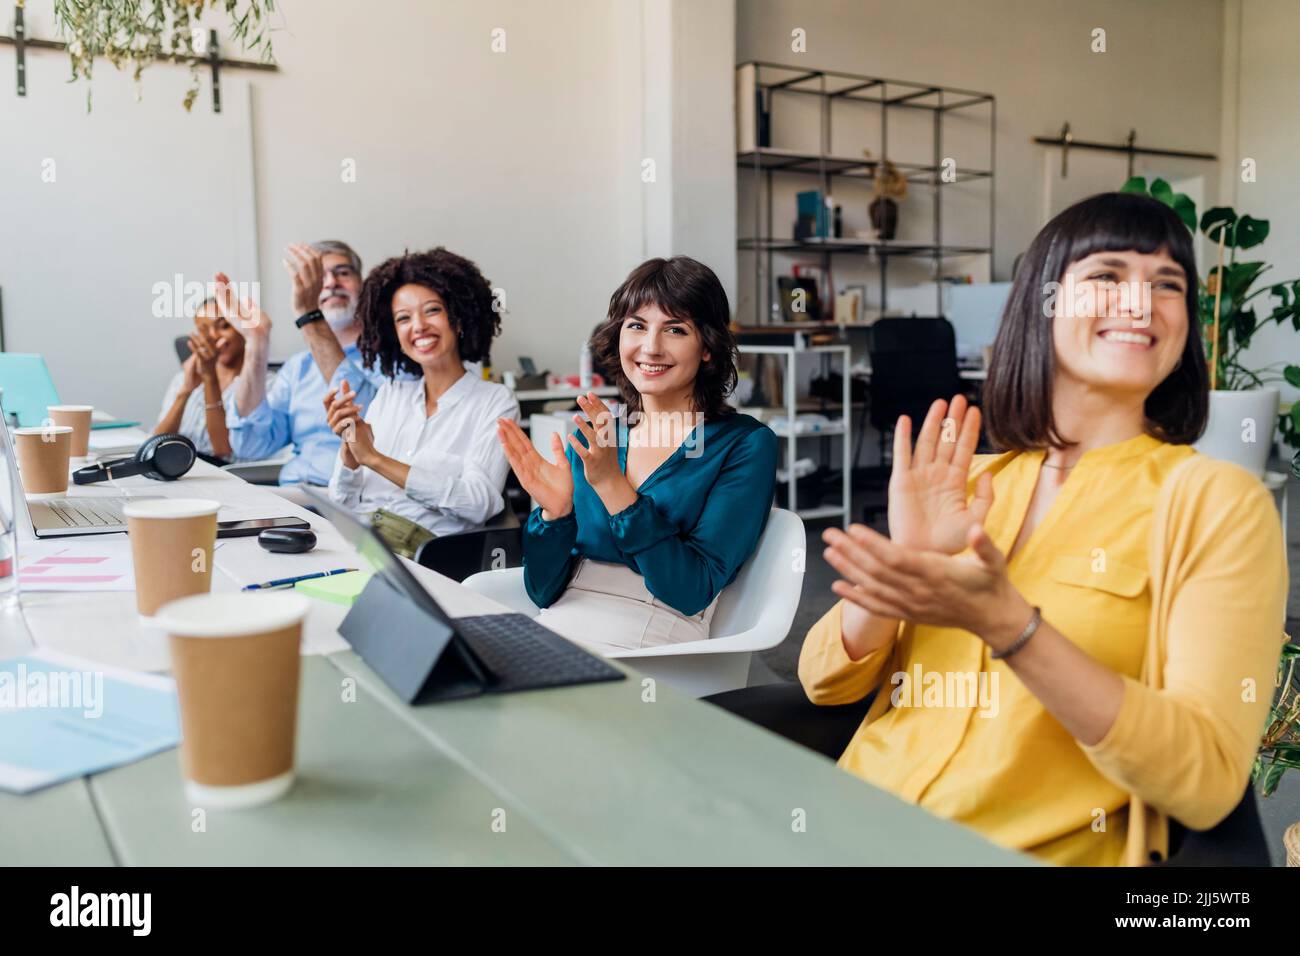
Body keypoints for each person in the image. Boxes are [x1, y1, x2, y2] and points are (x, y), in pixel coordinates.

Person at [748, 192, 1285, 866]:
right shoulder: (969, 479)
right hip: (845, 828)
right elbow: (825, 682)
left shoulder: (1216, 503)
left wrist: (1014, 628)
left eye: (1167, 284)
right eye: (1108, 276)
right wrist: (902, 569)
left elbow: (1206, 783)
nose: (1142, 302)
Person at [496, 256, 778, 656]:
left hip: (652, 646)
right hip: (558, 629)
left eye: (676, 329)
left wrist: (612, 486)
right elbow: (541, 592)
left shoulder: (745, 444)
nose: (651, 347)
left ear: (709, 348)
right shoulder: (598, 433)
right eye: (637, 326)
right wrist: (553, 517)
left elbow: (690, 590)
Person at [321, 248, 519, 546]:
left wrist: (375, 459)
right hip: (358, 542)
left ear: (459, 318)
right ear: (394, 333)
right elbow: (342, 501)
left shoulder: (495, 401)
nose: (418, 326)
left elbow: (479, 503)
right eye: (403, 318)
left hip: (425, 558)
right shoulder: (390, 394)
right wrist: (350, 453)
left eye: (432, 310)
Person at [216, 239, 387, 487]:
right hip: (294, 495)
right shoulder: (298, 366)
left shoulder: (394, 358)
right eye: (320, 277)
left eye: (343, 273)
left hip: (354, 498)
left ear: (363, 285)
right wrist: (256, 342)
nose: (330, 283)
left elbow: (368, 425)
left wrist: (308, 316)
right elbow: (251, 444)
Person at [154, 298, 262, 462]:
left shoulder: (261, 385)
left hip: (225, 475)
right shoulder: (183, 379)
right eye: (204, 331)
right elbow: (157, 442)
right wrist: (186, 390)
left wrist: (210, 377)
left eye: (224, 326)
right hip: (180, 468)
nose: (214, 336)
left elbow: (222, 450)